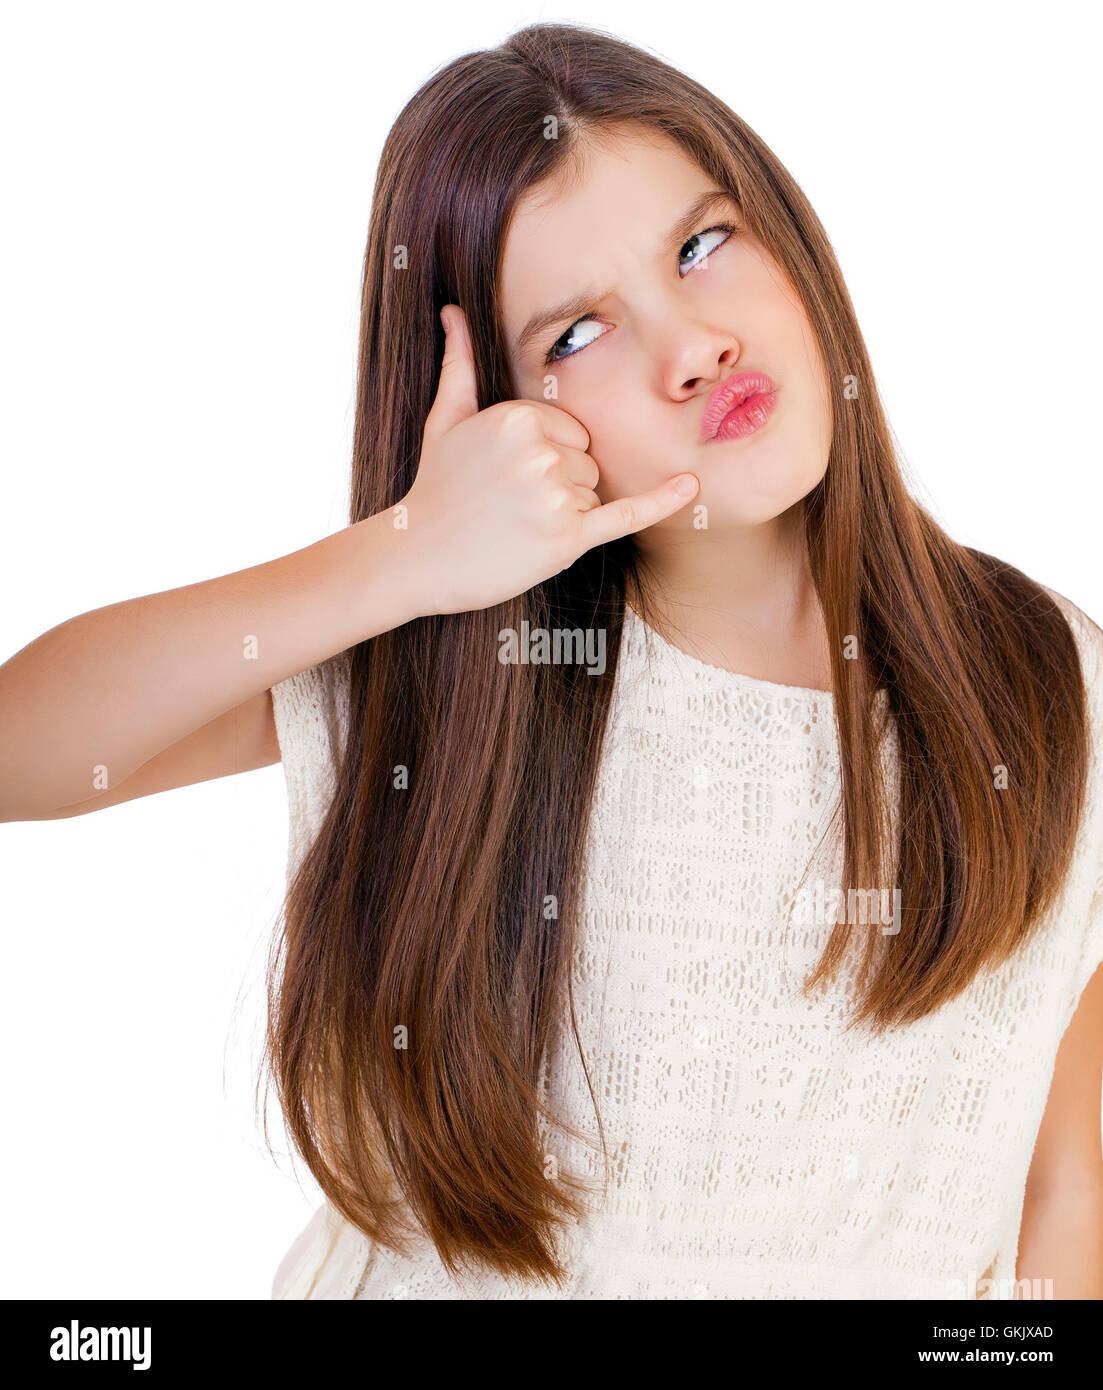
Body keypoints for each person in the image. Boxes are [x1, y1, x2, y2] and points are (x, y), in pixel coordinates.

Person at [3, 21, 1101, 1301]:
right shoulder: (456, 668)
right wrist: (405, 556)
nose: (692, 349)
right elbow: (24, 753)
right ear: (501, 411)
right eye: (578, 333)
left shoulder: (1049, 683)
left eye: (701, 245)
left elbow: (1061, 1185)